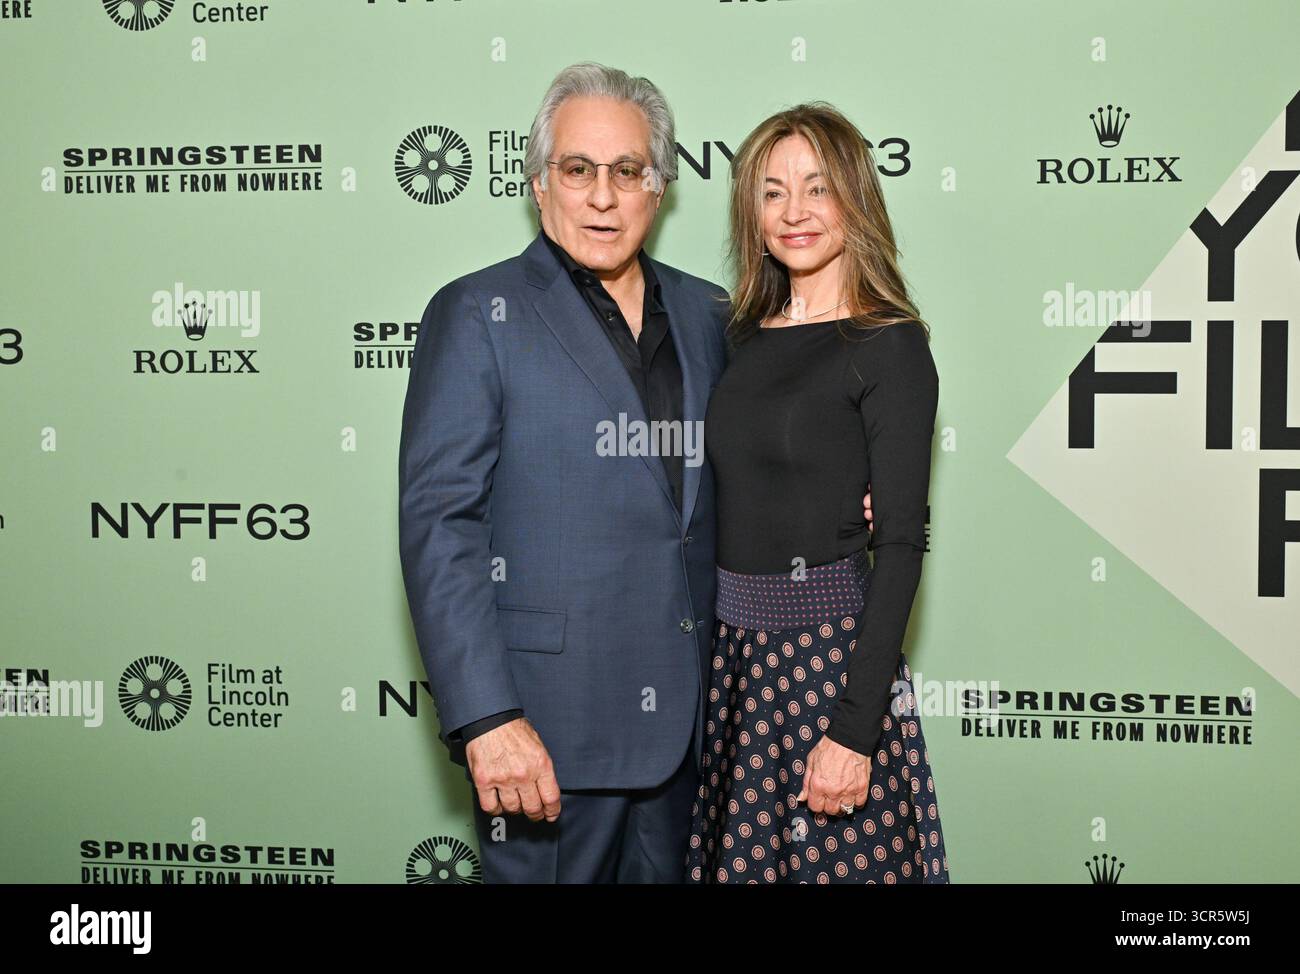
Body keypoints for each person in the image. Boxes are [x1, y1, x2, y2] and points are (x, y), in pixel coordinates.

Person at [686, 102, 950, 883]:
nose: (793, 213)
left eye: (817, 188)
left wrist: (856, 730)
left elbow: (900, 546)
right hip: (734, 663)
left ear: (855, 200)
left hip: (828, 665)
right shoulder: (735, 335)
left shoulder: (890, 344)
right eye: (772, 192)